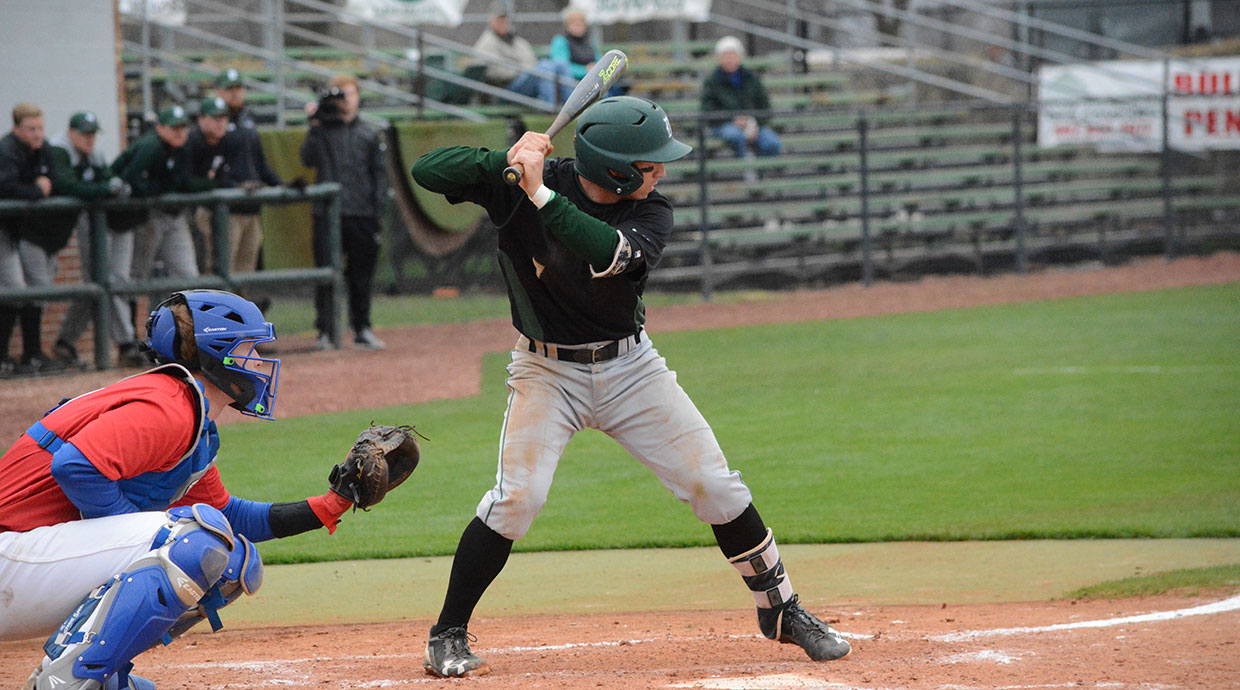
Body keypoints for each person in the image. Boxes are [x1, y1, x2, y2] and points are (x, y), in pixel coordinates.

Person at [409, 95, 850, 678]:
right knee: (517, 499)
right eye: (648, 163)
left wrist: (537, 193)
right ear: (613, 168)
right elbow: (427, 172)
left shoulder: (651, 213)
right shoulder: (528, 176)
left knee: (714, 485)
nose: (659, 172)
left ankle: (782, 610)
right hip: (547, 371)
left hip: (630, 370)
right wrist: (503, 159)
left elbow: (605, 250)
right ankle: (446, 635)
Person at [1, 289, 363, 690]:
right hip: (12, 558)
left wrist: (333, 504)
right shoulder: (168, 408)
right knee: (191, 542)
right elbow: (74, 466)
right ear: (218, 353)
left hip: (29, 561)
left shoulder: (188, 413)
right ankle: (69, 681)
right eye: (251, 349)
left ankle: (102, 674)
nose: (260, 362)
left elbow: (230, 516)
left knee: (230, 557)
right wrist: (143, 535)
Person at [110, 104, 213, 365]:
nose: (180, 132)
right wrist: (158, 188)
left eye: (182, 127)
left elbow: (182, 182)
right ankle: (131, 344)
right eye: (174, 128)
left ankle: (188, 342)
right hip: (142, 216)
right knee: (136, 277)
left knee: (188, 276)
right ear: (161, 128)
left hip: (171, 214)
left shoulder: (182, 149)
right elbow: (132, 179)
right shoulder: (151, 146)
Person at [300, 74, 387, 351]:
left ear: (358, 97)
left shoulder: (369, 133)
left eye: (349, 94)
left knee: (361, 275)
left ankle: (362, 327)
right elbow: (307, 159)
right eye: (339, 95)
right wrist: (315, 123)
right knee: (326, 275)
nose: (345, 101)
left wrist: (377, 214)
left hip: (361, 214)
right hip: (328, 214)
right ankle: (325, 330)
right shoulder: (323, 130)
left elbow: (380, 177)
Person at [48, 111, 132, 369]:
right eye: (84, 133)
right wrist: (102, 190)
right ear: (71, 132)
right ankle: (40, 351)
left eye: (92, 133)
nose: (89, 138)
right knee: (36, 289)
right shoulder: (59, 150)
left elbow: (104, 178)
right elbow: (68, 186)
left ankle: (66, 343)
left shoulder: (93, 153)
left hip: (71, 225)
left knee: (98, 282)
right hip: (44, 227)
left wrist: (111, 185)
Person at [0, 103, 57, 377]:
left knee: (29, 290)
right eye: (31, 129)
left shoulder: (42, 148)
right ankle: (5, 357)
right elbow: (7, 187)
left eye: (40, 128)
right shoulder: (7, 150)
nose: (37, 134)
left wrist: (39, 187)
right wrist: (36, 189)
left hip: (18, 231)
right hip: (4, 229)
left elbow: (54, 179)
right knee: (14, 290)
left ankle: (30, 355)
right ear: (17, 129)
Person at [212, 68, 283, 276]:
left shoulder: (247, 120)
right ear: (218, 92)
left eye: (238, 88)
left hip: (250, 207)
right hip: (225, 210)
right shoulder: (214, 122)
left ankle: (240, 310)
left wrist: (281, 185)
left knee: (246, 274)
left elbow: (259, 163)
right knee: (222, 274)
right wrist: (233, 186)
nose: (235, 93)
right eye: (229, 89)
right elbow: (209, 169)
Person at [700, 36, 782, 177]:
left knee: (772, 142)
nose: (730, 59)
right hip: (724, 125)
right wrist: (732, 120)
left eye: (733, 55)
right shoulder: (712, 82)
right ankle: (749, 171)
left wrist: (753, 123)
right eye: (726, 55)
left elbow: (765, 106)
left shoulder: (751, 79)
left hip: (754, 124)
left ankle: (765, 174)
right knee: (734, 135)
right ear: (719, 59)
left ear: (740, 57)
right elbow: (707, 110)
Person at [472, 1, 574, 105]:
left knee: (560, 65)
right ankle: (550, 110)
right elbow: (492, 72)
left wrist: (525, 70)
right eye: (499, 21)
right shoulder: (486, 42)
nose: (503, 23)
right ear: (492, 22)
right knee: (544, 68)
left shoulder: (517, 41)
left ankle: (572, 106)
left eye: (505, 20)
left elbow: (531, 62)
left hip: (526, 80)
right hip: (506, 89)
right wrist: (519, 70)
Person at [189, 96, 239, 273]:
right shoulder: (192, 141)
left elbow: (222, 176)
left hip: (211, 209)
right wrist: (212, 184)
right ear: (201, 119)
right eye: (215, 118)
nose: (220, 123)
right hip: (184, 210)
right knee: (198, 265)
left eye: (223, 118)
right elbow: (186, 182)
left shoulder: (226, 141)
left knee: (218, 261)